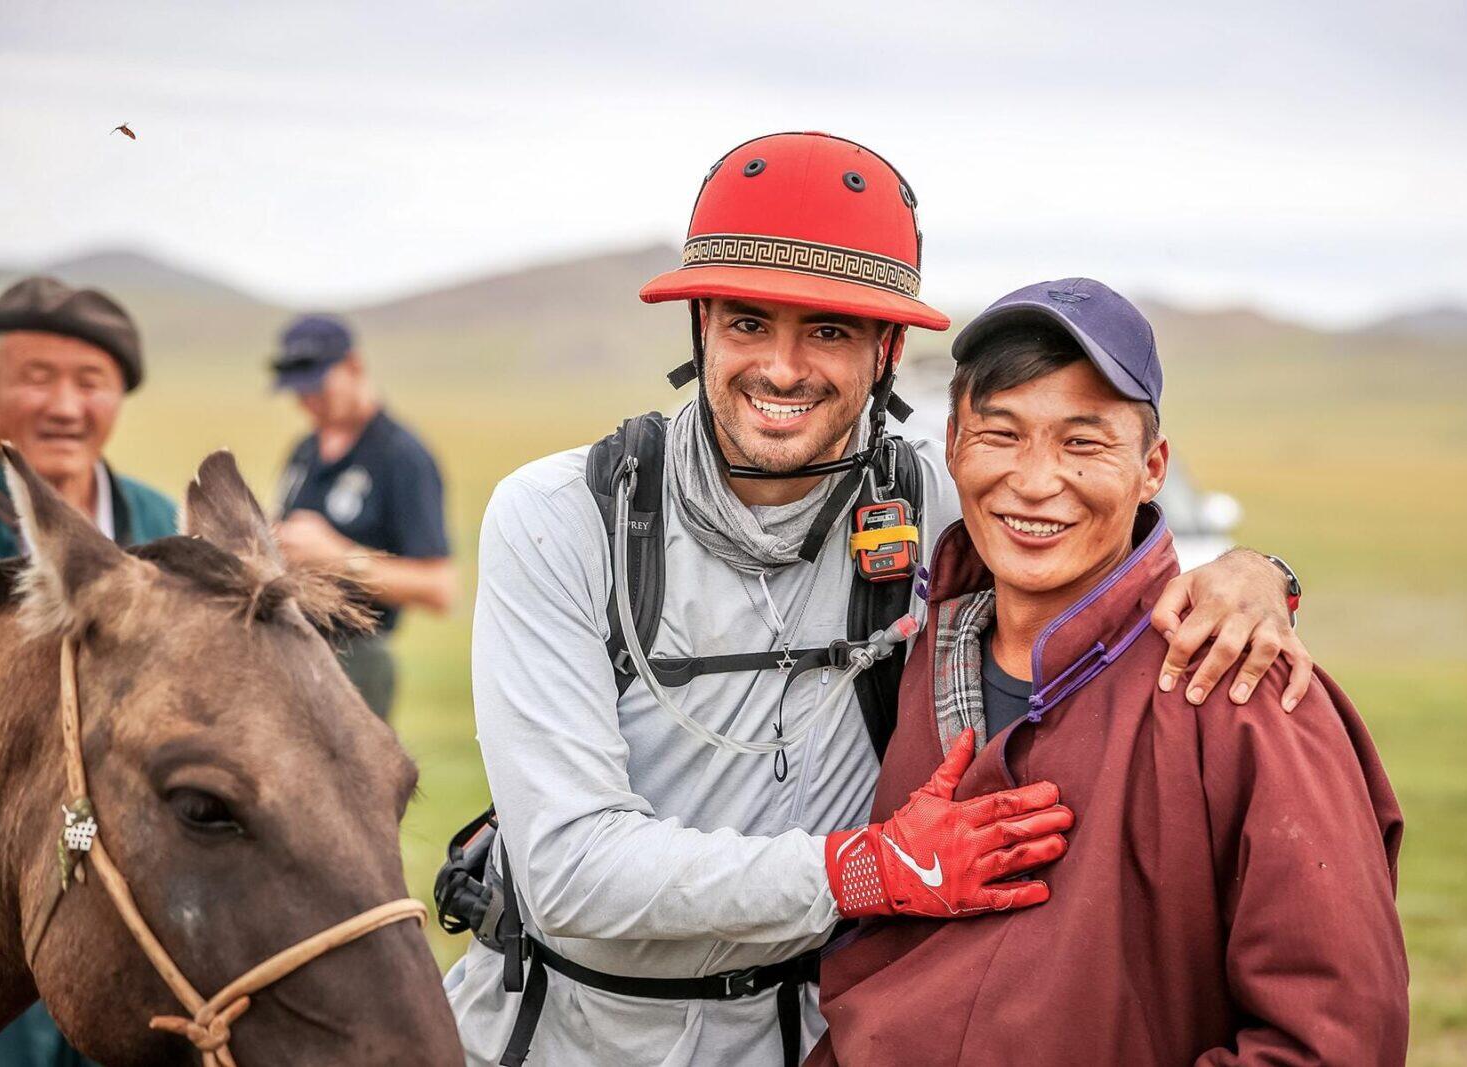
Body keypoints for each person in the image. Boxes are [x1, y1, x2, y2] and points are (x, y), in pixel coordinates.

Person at [444, 132, 1313, 1067]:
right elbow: (570, 870)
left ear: (888, 348)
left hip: (810, 1037)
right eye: (747, 323)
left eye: (828, 330)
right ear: (700, 325)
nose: (783, 369)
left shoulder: (935, 499)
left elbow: (1090, 544)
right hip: (562, 1032)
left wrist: (1256, 573)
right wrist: (868, 870)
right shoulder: (565, 516)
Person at [810, 279, 1409, 1066]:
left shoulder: (1239, 685)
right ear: (953, 444)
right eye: (1001, 434)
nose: (1034, 481)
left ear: (1152, 466)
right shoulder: (918, 653)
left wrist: (1262, 572)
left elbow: (1332, 1037)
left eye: (1083, 443)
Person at [0, 276, 177, 1066]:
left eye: (91, 381)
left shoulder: (157, 522)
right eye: (36, 377)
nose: (65, 406)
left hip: (125, 868)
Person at [270, 313, 455, 719]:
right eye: (300, 392)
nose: (308, 402)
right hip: (289, 648)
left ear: (353, 366)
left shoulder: (402, 457)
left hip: (356, 660)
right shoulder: (304, 450)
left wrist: (338, 557)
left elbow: (440, 587)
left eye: (318, 388)